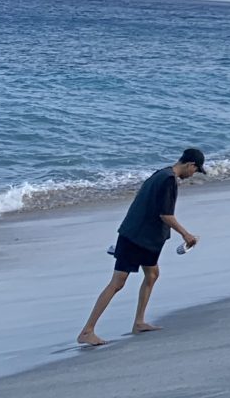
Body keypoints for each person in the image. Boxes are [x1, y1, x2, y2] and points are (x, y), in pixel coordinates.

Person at [77, 148, 205, 347]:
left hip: (145, 238)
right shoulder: (168, 180)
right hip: (136, 237)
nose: (193, 175)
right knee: (117, 283)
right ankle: (87, 331)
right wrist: (186, 234)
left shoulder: (161, 173)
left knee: (152, 274)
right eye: (195, 171)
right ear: (191, 165)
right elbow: (166, 215)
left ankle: (139, 322)